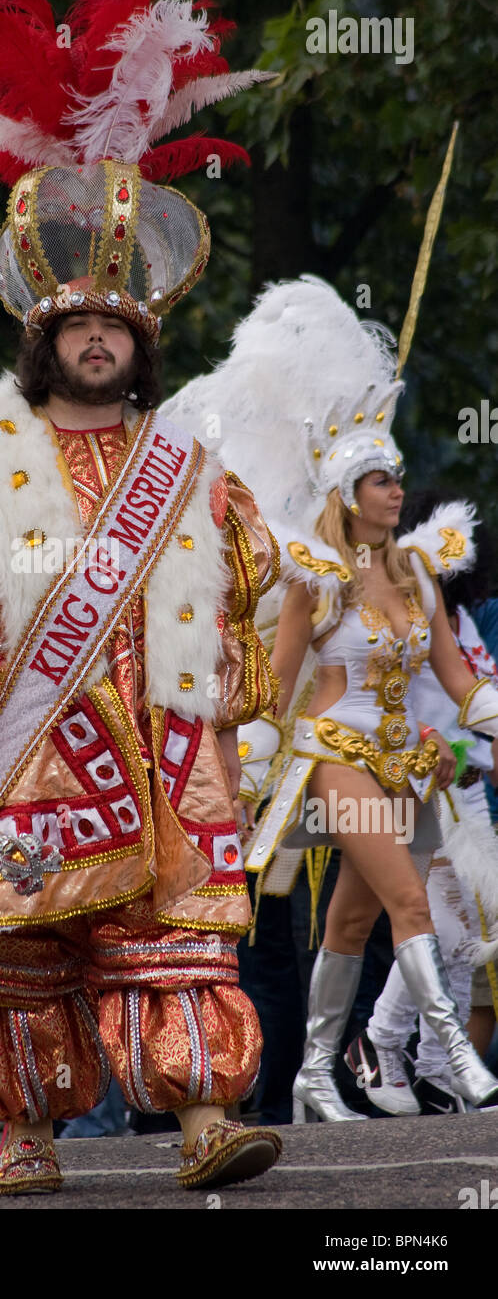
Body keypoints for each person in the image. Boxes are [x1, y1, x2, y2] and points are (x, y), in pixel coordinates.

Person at [0, 0, 283, 1195]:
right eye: (77, 326)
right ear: (45, 343)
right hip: (25, 743)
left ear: (140, 343)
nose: (97, 340)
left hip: (162, 753)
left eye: (116, 324)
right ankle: (24, 1132)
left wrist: (238, 695)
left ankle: (203, 1119)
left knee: (178, 945)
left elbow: (254, 588)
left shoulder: (191, 467)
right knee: (23, 952)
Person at [179, 276, 498, 1123]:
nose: (398, 492)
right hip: (333, 757)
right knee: (411, 900)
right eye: (382, 482)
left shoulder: (417, 575)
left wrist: (493, 721)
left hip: (404, 762)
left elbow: (461, 685)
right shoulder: (311, 585)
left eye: (398, 480)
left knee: (349, 929)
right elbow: (274, 690)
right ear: (348, 496)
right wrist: (233, 767)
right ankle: (461, 1062)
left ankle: (316, 1075)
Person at [346, 506, 498, 1114]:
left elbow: (475, 696)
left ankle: (437, 1069)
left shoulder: (458, 622)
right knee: (448, 928)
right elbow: (403, 712)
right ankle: (378, 1043)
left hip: (466, 788)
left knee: (469, 938)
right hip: (422, 786)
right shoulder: (396, 624)